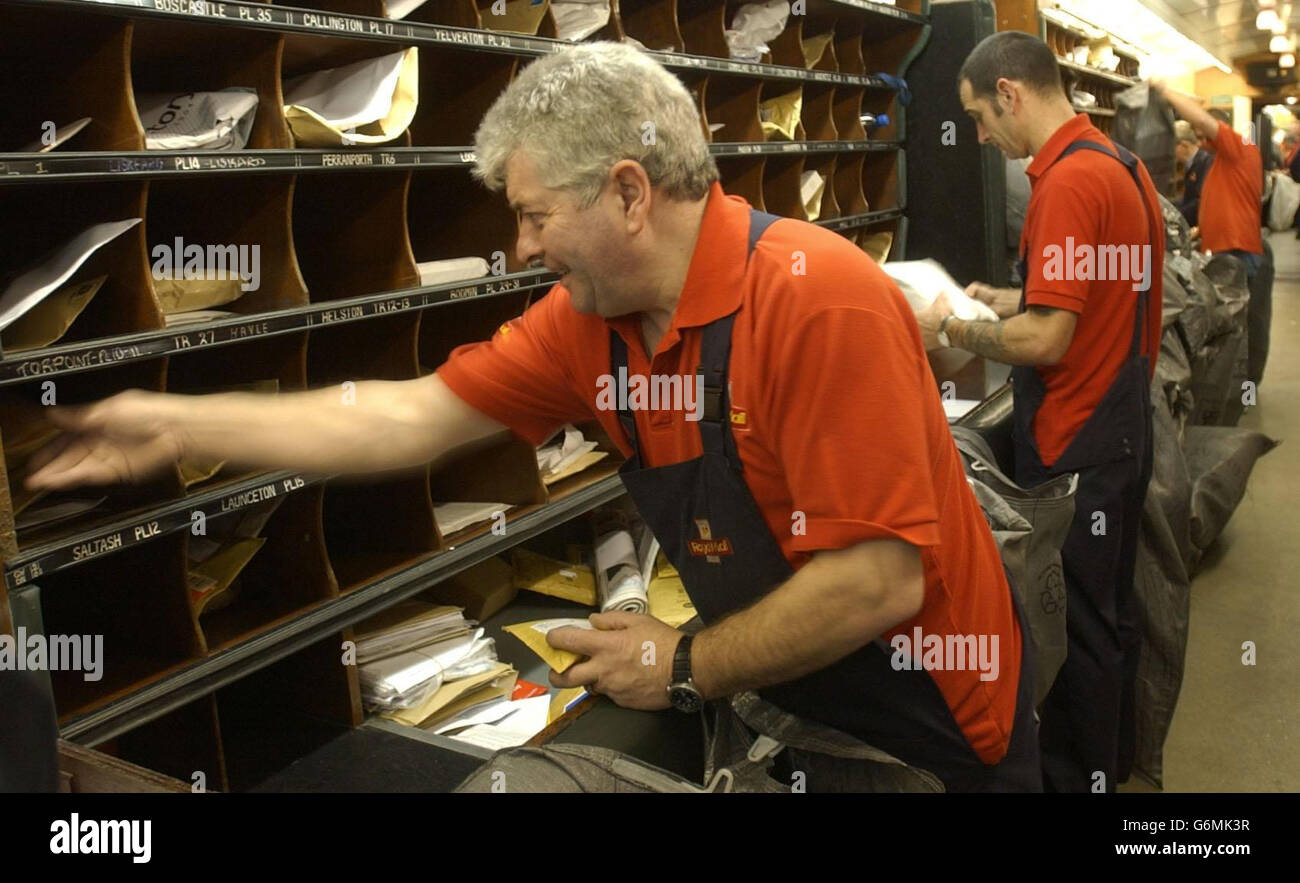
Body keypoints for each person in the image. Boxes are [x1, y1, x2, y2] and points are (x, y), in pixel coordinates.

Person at [24, 42, 1040, 792]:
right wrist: (188, 425)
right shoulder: (586, 323)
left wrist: (680, 662)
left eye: (532, 214)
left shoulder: (814, 297)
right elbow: (403, 418)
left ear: (628, 193)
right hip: (787, 695)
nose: (516, 248)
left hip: (915, 736)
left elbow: (873, 581)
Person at [915, 31, 1163, 793]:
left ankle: (1081, 778)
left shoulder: (1063, 183)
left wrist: (948, 326)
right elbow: (1094, 293)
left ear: (1010, 94)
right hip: (1124, 431)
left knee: (1076, 633)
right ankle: (1116, 766)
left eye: (979, 118)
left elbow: (1050, 339)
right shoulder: (1119, 166)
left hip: (1078, 441)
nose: (980, 136)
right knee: (1110, 618)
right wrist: (1008, 298)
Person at [1153, 84, 1269, 384]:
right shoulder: (1222, 162)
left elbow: (1203, 123)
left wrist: (1165, 90)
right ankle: (1238, 391)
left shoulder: (1240, 148)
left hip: (1238, 253)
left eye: (1205, 135)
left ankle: (1243, 391)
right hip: (1225, 251)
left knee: (1243, 333)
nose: (1201, 140)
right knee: (1235, 332)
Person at [1174, 119, 1212, 229]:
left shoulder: (1205, 163)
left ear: (1183, 145)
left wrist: (1178, 215)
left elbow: (1200, 200)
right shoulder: (1191, 165)